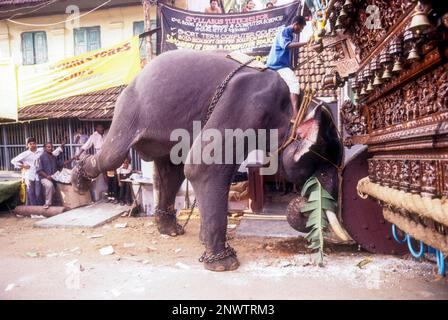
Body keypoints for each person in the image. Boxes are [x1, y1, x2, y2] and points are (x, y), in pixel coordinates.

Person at [266, 15, 307, 118]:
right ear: (296, 24)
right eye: (301, 27)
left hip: (281, 65)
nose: (301, 30)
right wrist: (306, 43)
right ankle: (295, 113)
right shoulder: (284, 31)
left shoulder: (290, 34)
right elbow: (286, 46)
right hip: (277, 65)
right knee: (294, 85)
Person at [11, 137, 64, 206]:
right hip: (29, 176)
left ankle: (39, 210)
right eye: (30, 144)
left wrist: (61, 146)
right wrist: (23, 166)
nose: (32, 145)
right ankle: (33, 212)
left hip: (38, 176)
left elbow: (52, 152)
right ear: (27, 145)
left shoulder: (40, 151)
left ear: (36, 144)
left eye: (34, 143)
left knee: (38, 193)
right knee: (31, 193)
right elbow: (13, 161)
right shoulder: (25, 154)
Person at [75, 123, 108, 202]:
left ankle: (112, 191)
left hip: (108, 153)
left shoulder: (107, 133)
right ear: (96, 128)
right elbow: (85, 146)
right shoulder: (93, 136)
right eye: (99, 127)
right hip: (99, 155)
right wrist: (78, 154)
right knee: (102, 173)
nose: (101, 129)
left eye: (102, 127)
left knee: (111, 174)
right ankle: (105, 191)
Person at [36, 142, 67, 209]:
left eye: (51, 147)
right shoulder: (41, 157)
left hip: (53, 178)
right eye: (48, 147)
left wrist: (72, 158)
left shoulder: (53, 157)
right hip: (44, 178)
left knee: (60, 186)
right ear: (44, 148)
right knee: (49, 185)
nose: (50, 148)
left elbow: (60, 164)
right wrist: (47, 176)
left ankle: (60, 203)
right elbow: (39, 170)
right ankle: (47, 203)